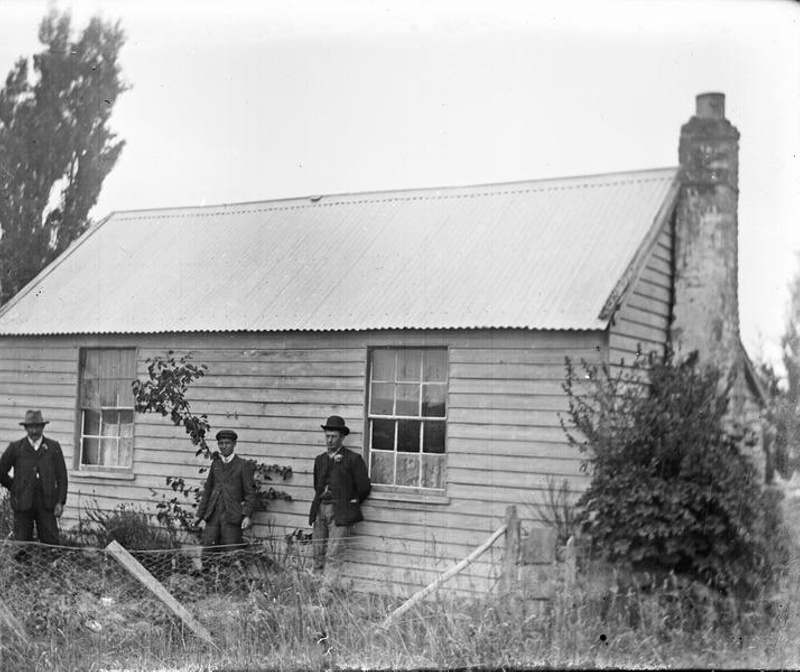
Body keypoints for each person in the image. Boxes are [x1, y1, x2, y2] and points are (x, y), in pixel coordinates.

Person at [308, 415, 371, 574]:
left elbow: (364, 488)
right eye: (327, 436)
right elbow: (317, 485)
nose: (329, 440)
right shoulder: (320, 460)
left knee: (333, 555)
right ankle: (315, 592)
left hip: (339, 513)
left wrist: (349, 504)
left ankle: (325, 595)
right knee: (317, 552)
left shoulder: (353, 459)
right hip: (320, 510)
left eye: (333, 437)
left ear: (342, 438)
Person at [0, 410, 68, 545]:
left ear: (43, 427)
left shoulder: (53, 447)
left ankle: (49, 566)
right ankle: (22, 566)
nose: (35, 430)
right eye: (31, 427)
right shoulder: (16, 448)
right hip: (23, 503)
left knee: (51, 544)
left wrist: (60, 501)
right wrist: (15, 486)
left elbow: (62, 477)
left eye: (38, 426)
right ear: (25, 428)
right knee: (21, 546)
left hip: (47, 504)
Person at [194, 429, 257, 553]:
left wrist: (247, 516)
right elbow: (207, 491)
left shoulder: (242, 465)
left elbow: (250, 493)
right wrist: (199, 515)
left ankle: (233, 571)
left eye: (227, 443)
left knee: (232, 551)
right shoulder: (216, 465)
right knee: (208, 550)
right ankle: (208, 572)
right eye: (221, 443)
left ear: (234, 444)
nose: (224, 446)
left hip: (232, 515)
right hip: (213, 514)